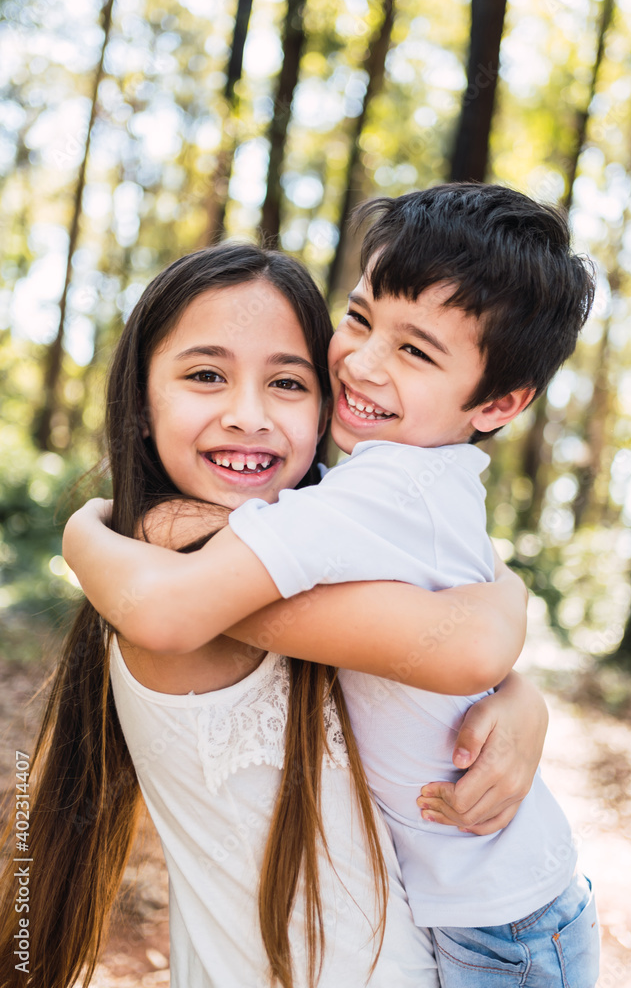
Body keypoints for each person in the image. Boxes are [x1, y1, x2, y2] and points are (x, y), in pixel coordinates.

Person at [65, 184, 601, 987]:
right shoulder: (344, 506)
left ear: (498, 403)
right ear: (138, 399)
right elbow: (469, 634)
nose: (362, 360)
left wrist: (86, 534)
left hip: (489, 926)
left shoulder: (360, 501)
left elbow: (473, 639)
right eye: (357, 320)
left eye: (286, 382)